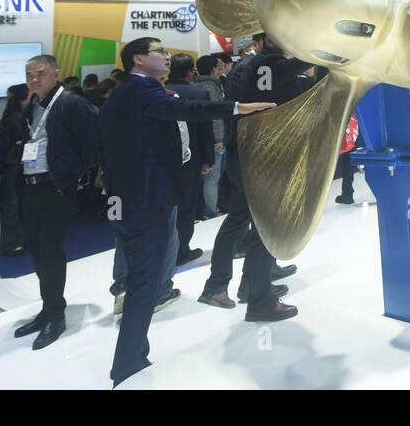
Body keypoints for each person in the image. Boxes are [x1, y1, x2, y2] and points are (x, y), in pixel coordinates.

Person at [100, 37, 274, 387]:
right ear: (138, 59)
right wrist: (238, 108)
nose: (166, 57)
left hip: (127, 200)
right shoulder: (141, 91)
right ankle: (127, 366)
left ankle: (135, 355)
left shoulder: (121, 95)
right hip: (145, 203)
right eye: (159, 52)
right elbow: (187, 111)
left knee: (141, 281)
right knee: (145, 285)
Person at [0, 54, 102, 350]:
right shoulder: (31, 106)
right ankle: (47, 309)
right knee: (37, 250)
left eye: (40, 74)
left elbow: (94, 144)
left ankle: (56, 314)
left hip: (55, 188)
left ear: (56, 73)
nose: (34, 80)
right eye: (29, 75)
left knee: (51, 250)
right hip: (29, 187)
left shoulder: (71, 103)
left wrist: (72, 174)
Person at [199, 35, 308, 319]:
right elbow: (313, 60)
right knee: (265, 225)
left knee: (237, 219)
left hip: (242, 153)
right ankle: (259, 298)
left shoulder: (243, 68)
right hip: (265, 157)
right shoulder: (275, 65)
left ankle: (219, 285)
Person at [164, 53, 209, 264]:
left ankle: (166, 251)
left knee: (167, 206)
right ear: (191, 71)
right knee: (187, 205)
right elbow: (204, 128)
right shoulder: (198, 94)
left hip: (163, 160)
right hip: (191, 158)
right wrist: (208, 158)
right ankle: (181, 251)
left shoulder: (160, 92)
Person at [0, 84, 31, 255]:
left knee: (12, 204)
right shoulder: (20, 118)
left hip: (14, 166)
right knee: (14, 205)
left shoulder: (12, 117)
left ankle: (14, 241)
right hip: (21, 166)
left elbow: (0, 148)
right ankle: (13, 242)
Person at [193, 55, 228, 220]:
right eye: (218, 65)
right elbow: (216, 114)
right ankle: (211, 212)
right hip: (214, 139)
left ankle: (204, 210)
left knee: (205, 177)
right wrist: (220, 138)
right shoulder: (211, 86)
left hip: (199, 137)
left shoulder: (195, 84)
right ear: (214, 68)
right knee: (212, 178)